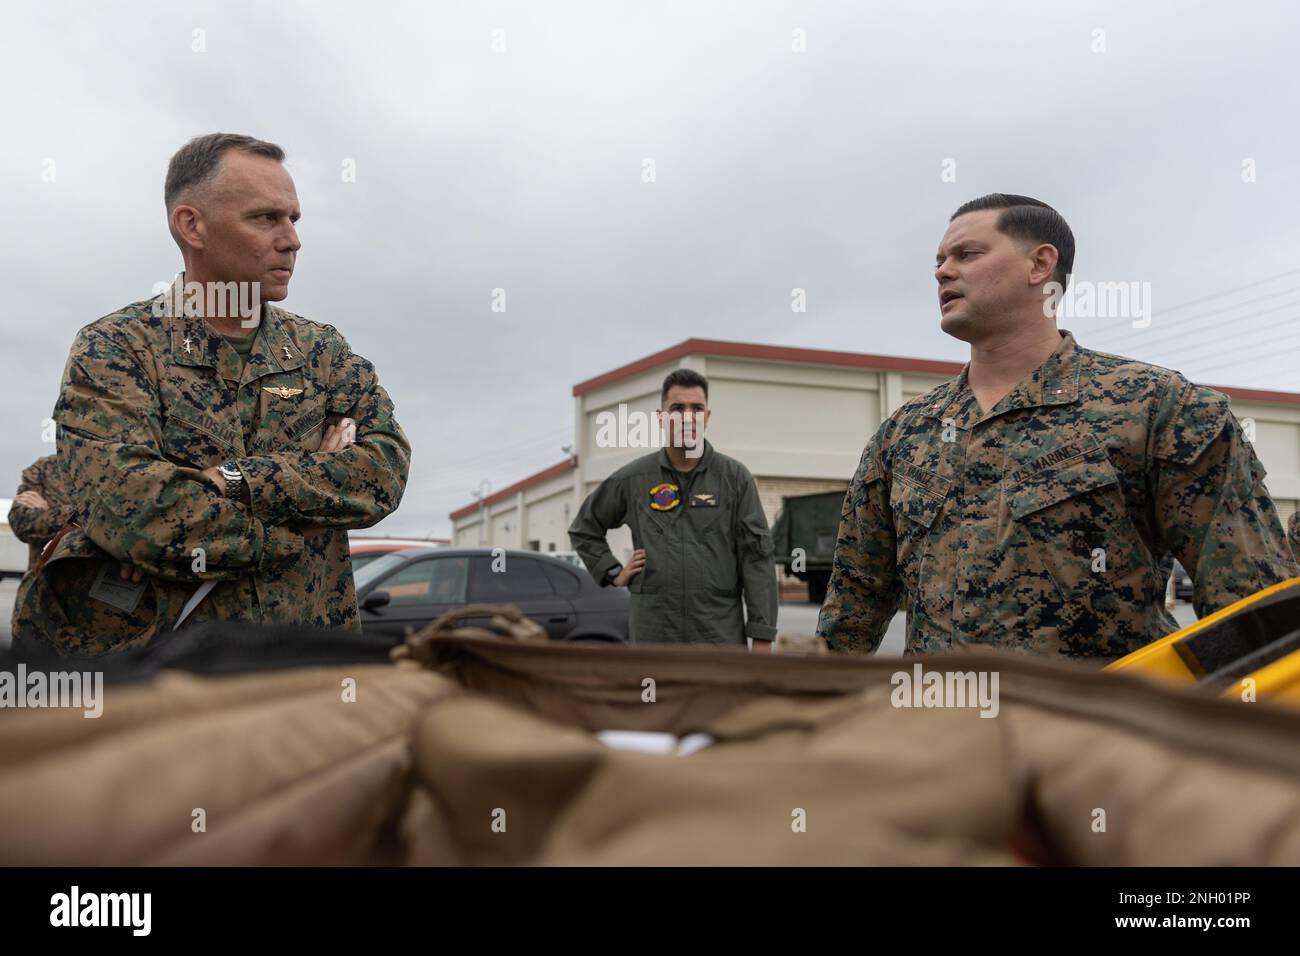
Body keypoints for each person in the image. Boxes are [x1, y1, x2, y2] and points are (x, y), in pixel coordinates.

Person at [818, 193, 1298, 662]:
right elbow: (851, 610)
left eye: (967, 254)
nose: (942, 271)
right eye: (939, 261)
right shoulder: (905, 434)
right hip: (943, 731)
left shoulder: (1157, 407)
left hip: (1099, 732)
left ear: (1040, 265)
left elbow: (1253, 612)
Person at [14, 133, 410, 653]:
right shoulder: (118, 347)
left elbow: (384, 472)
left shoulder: (321, 350)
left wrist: (234, 480)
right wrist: (299, 531)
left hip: (308, 674)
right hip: (171, 684)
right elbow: (135, 514)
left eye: (293, 219)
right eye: (266, 218)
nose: (291, 240)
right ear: (191, 225)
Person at [569, 369, 778, 649]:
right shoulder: (634, 479)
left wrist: (762, 636)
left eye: (696, 408)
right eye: (677, 408)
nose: (687, 417)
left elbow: (757, 559)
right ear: (661, 417)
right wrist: (612, 571)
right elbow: (584, 528)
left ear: (707, 417)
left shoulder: (734, 479)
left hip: (717, 639)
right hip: (654, 637)